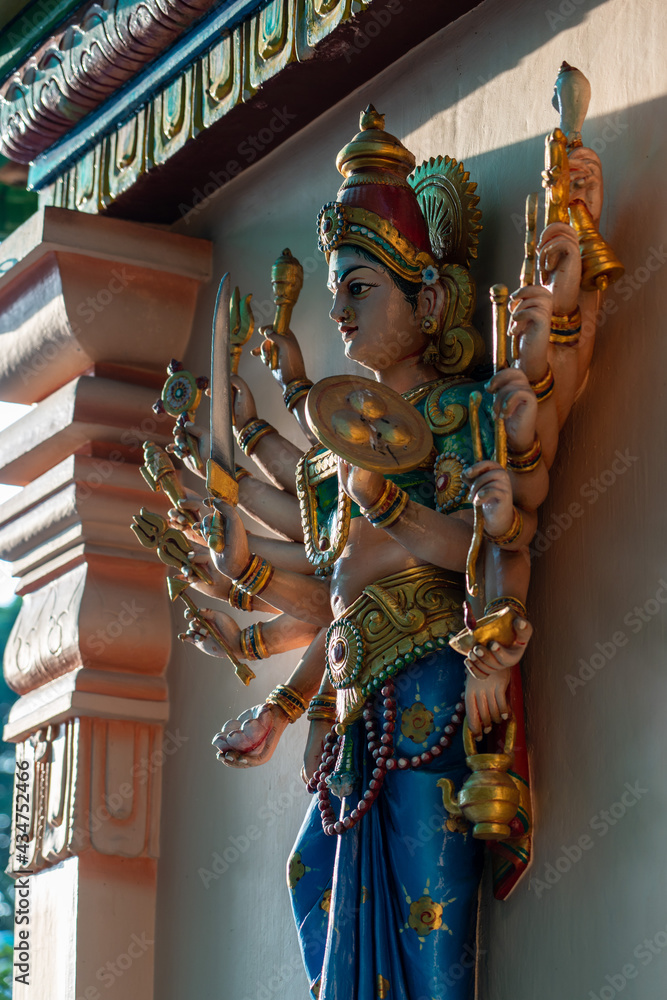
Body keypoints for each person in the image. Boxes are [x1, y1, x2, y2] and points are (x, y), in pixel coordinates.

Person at [179, 108, 545, 1000]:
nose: (337, 310)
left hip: (429, 689)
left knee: (426, 914)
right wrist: (284, 707)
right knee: (314, 876)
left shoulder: (458, 417)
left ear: (425, 301)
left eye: (358, 288)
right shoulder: (332, 458)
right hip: (352, 709)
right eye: (333, 291)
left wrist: (393, 509)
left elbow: (479, 553)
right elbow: (338, 604)